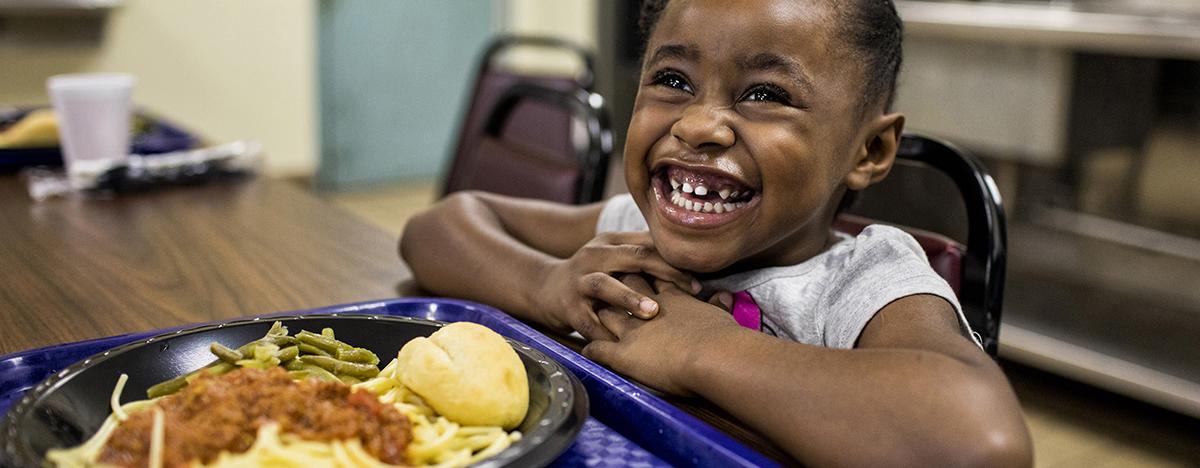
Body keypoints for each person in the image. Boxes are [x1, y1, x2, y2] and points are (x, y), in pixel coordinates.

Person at [400, 0, 1033, 466]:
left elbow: (982, 442)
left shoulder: (863, 282)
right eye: (673, 81)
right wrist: (547, 285)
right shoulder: (629, 228)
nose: (700, 125)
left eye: (765, 93)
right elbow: (438, 229)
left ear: (868, 148)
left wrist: (703, 349)